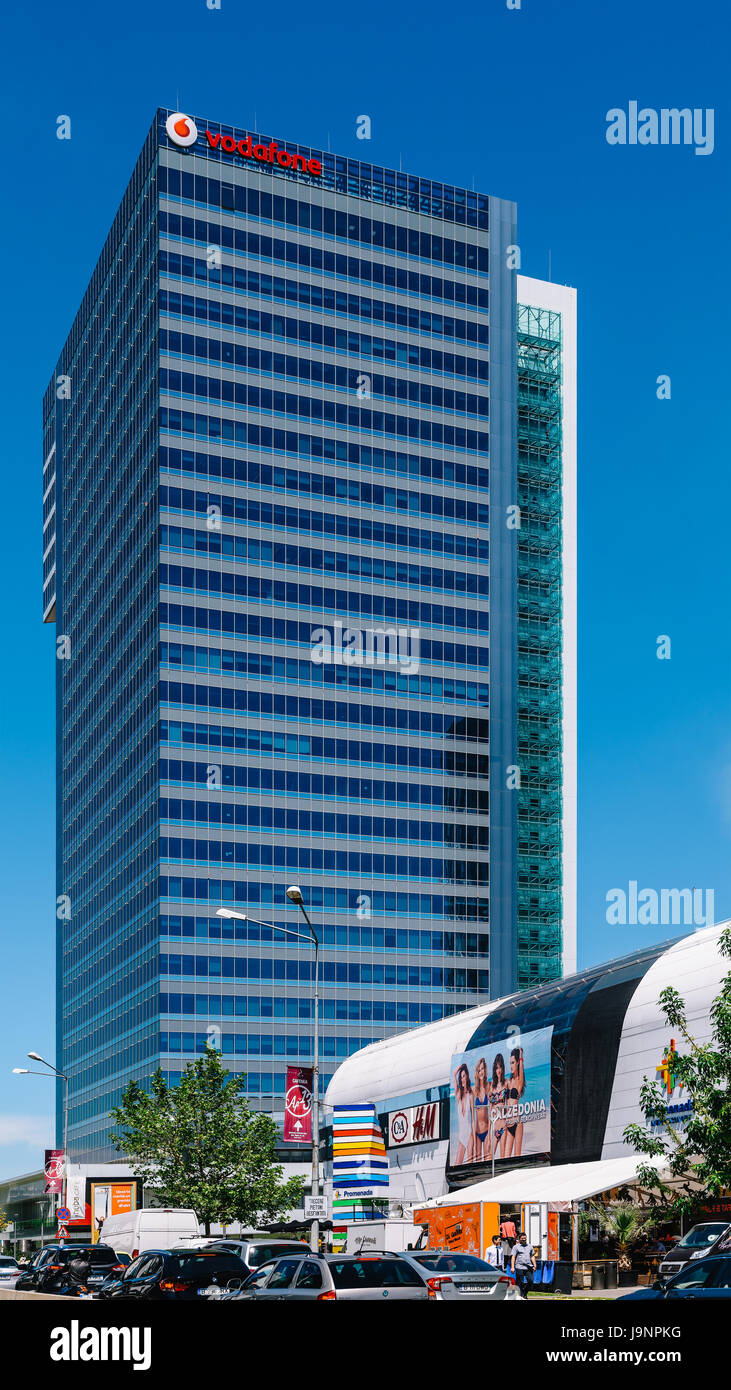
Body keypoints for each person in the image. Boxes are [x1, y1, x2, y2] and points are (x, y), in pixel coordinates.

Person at [504, 1046, 526, 1158]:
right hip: (508, 1123)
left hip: (517, 1122)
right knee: (506, 1157)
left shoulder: (519, 1081)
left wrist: (521, 1055)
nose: (511, 1066)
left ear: (517, 1063)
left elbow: (521, 1069)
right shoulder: (509, 1081)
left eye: (513, 1063)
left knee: (517, 1155)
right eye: (510, 1063)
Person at [452, 1063, 474, 1165]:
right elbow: (454, 1073)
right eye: (461, 1077)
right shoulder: (458, 1095)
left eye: (464, 1076)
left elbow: (473, 1119)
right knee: (457, 1164)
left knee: (470, 1165)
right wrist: (461, 1067)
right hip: (461, 1136)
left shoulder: (470, 1095)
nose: (462, 1079)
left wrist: (474, 1138)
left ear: (467, 1077)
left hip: (469, 1135)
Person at [489, 1053, 509, 1161]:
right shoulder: (492, 1086)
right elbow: (490, 1109)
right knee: (490, 1158)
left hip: (503, 1126)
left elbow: (509, 1104)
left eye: (500, 1067)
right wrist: (489, 1132)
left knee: (503, 1158)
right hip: (494, 1127)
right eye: (497, 1068)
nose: (499, 1070)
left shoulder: (506, 1083)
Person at [473, 1057, 491, 1157]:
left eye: (483, 1069)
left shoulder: (488, 1086)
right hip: (477, 1132)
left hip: (487, 1131)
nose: (481, 1072)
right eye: (479, 1070)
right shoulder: (474, 1090)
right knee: (478, 1161)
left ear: (485, 1070)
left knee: (488, 1159)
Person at [511, 1232, 537, 1298]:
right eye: (522, 1238)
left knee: (531, 1281)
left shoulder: (530, 1246)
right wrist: (512, 1267)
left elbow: (532, 1256)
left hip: (528, 1266)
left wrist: (534, 1265)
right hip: (519, 1266)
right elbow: (513, 1257)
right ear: (519, 1239)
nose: (524, 1239)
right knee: (520, 1282)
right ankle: (521, 1295)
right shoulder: (516, 1247)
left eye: (525, 1238)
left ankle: (524, 1292)